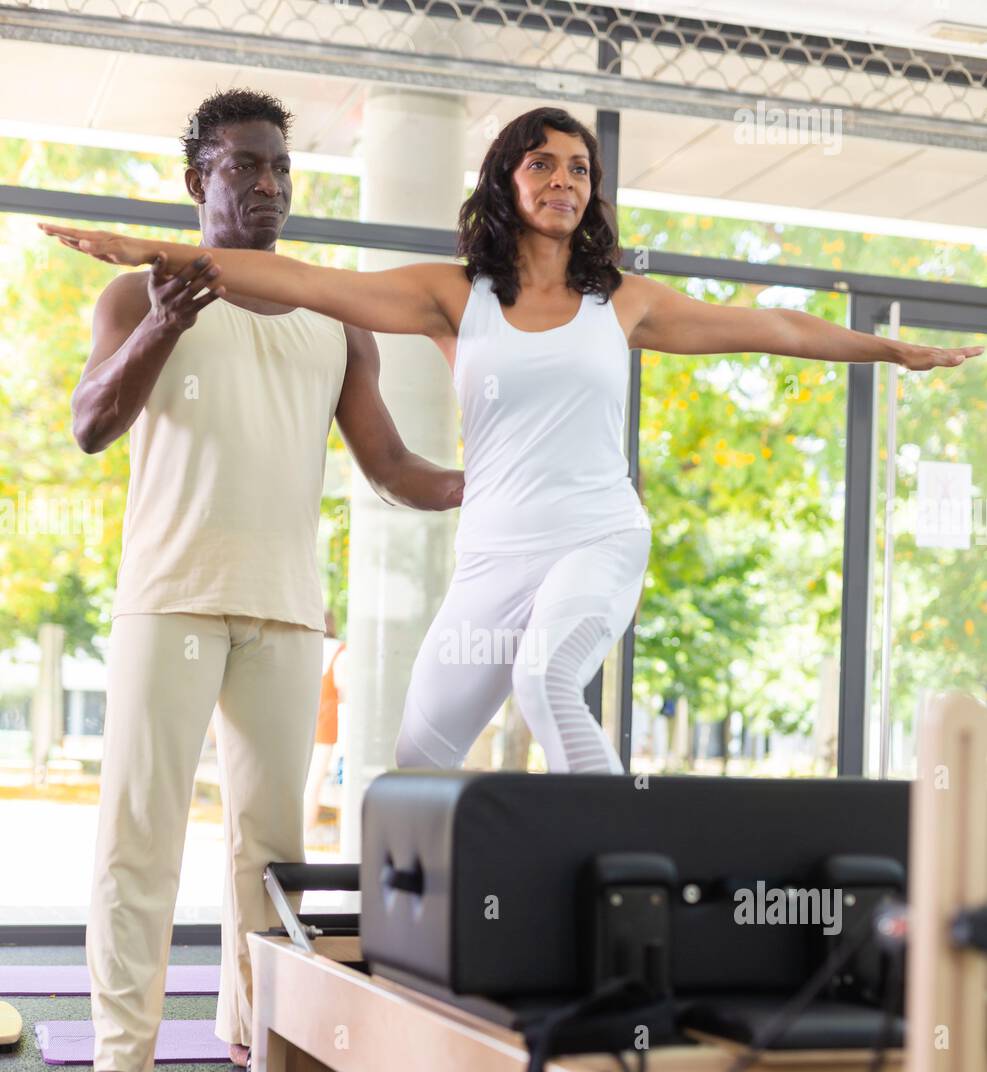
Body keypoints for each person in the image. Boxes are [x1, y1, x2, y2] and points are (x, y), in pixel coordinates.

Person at [41, 106, 983, 777]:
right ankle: (431, 963)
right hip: (493, 552)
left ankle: (627, 896)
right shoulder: (454, 296)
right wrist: (164, 253)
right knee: (415, 763)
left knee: (546, 679)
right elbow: (308, 281)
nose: (564, 180)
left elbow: (773, 328)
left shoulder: (626, 301)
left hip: (596, 536)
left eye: (579, 169)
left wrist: (890, 349)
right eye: (543, 164)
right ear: (505, 179)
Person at [53, 88, 462, 1072]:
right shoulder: (137, 294)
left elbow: (392, 467)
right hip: (168, 598)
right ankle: (120, 1055)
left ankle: (256, 1031)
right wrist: (158, 324)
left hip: (285, 611)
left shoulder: (334, 317)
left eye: (281, 166)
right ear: (200, 182)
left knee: (270, 846)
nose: (269, 183)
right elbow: (90, 426)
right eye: (245, 166)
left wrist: (492, 480)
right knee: (139, 834)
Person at [304, 609, 346, 839]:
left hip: (306, 719)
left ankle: (304, 828)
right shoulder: (339, 650)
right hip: (326, 723)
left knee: (307, 779)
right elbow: (343, 687)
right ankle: (308, 828)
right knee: (315, 781)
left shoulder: (307, 647)